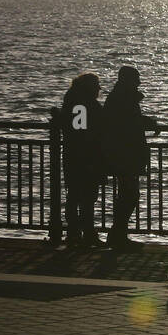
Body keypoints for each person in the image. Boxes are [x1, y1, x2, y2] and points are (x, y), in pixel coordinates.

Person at [100, 66, 158, 252]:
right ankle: (118, 236)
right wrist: (148, 122)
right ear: (129, 80)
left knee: (127, 195)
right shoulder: (124, 99)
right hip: (125, 154)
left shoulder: (118, 97)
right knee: (129, 195)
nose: (139, 82)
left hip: (122, 154)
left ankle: (118, 235)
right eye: (136, 79)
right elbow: (129, 123)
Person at [60, 72, 105, 246]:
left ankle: (76, 232)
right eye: (96, 85)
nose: (99, 89)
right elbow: (82, 133)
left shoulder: (74, 102)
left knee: (76, 196)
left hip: (76, 156)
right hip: (85, 157)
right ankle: (82, 233)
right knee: (85, 197)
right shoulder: (82, 105)